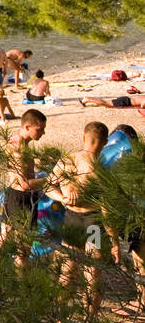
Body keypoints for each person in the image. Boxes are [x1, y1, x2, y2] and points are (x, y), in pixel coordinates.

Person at [47, 121, 108, 312]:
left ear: (83, 138)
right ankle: (88, 321)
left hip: (71, 218)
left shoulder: (68, 160)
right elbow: (106, 207)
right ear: (104, 143)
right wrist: (114, 241)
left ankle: (58, 316)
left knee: (68, 269)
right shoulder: (102, 170)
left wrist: (63, 198)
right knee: (93, 272)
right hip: (93, 222)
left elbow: (48, 186)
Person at [0, 109, 48, 257]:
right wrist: (51, 180)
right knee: (23, 249)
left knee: (3, 238)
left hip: (13, 195)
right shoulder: (19, 150)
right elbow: (24, 184)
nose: (43, 133)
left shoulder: (16, 140)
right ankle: (21, 277)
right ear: (27, 127)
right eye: (40, 129)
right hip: (21, 198)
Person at [79, 94, 145, 109]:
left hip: (126, 99)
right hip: (125, 102)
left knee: (105, 103)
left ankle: (88, 102)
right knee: (106, 103)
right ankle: (87, 99)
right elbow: (142, 106)